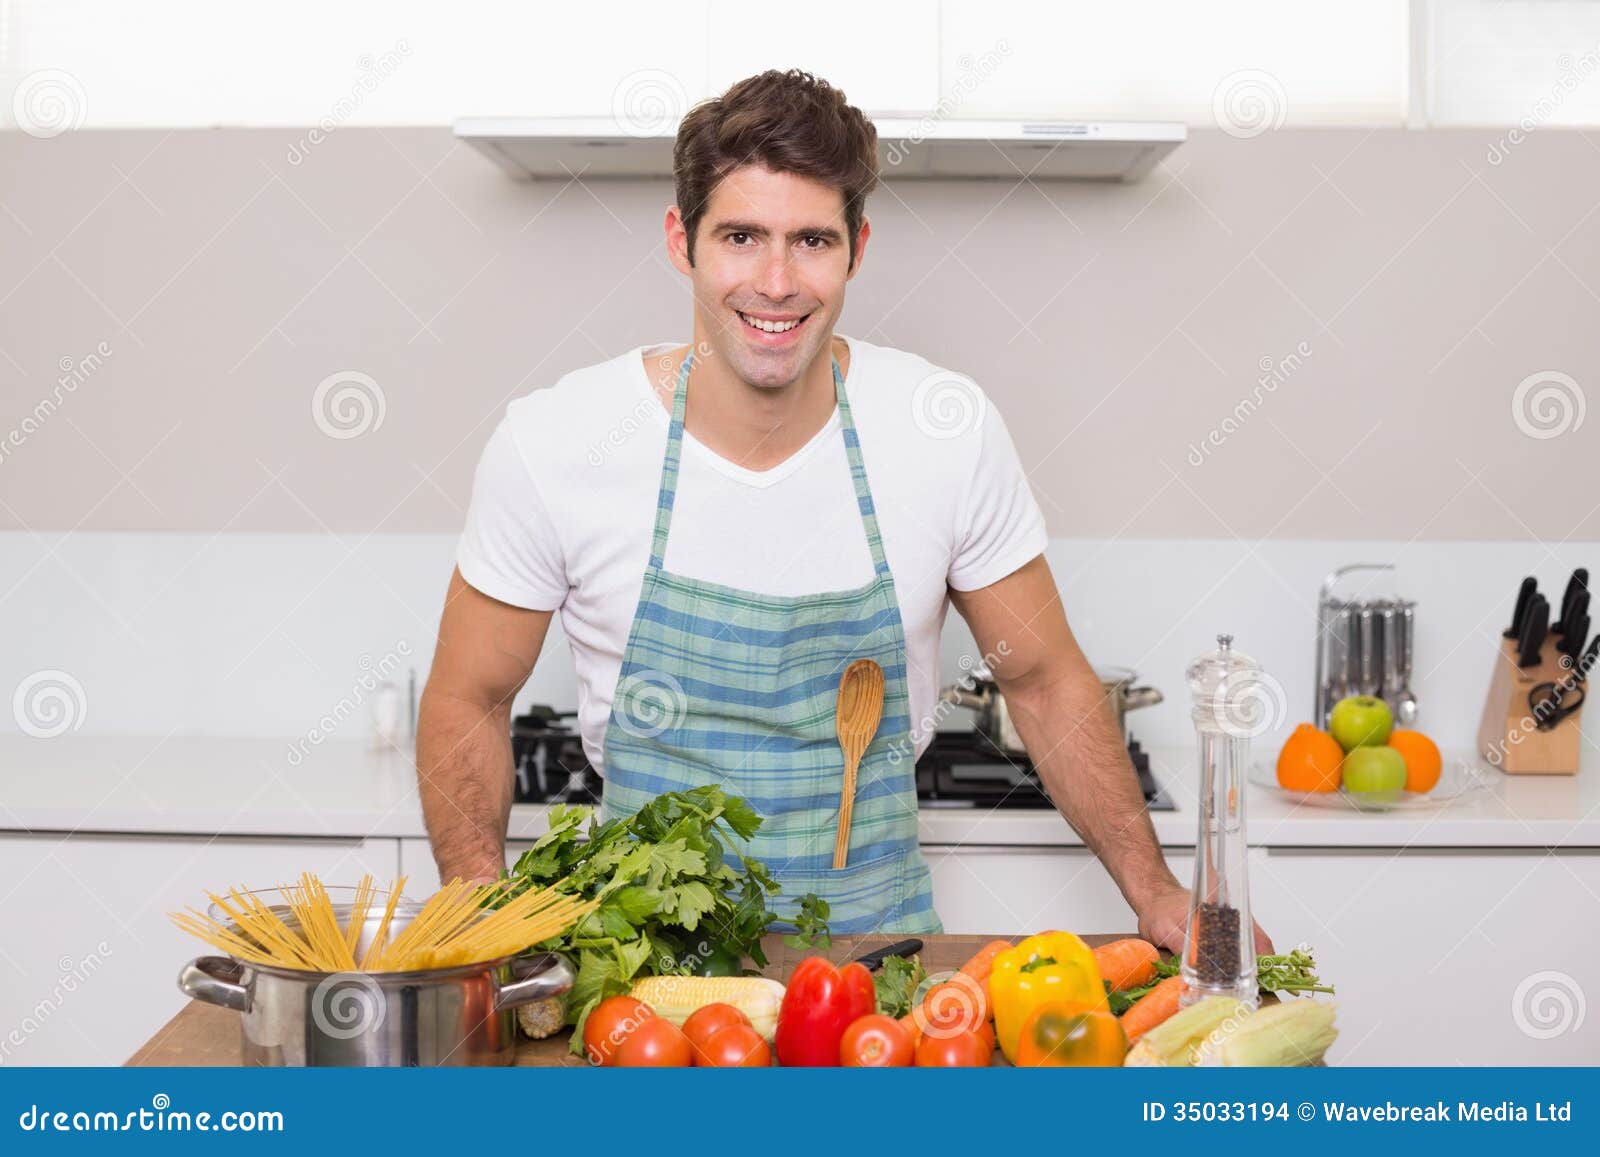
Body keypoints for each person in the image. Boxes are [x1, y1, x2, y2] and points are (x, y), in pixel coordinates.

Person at [419, 69, 1243, 951]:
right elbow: (468, 696)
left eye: (811, 239)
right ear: (680, 241)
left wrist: (1158, 892)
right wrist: (484, 921)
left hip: (876, 975)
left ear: (857, 248)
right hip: (639, 974)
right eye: (741, 236)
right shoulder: (559, 440)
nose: (776, 282)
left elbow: (1043, 682)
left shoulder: (943, 430)